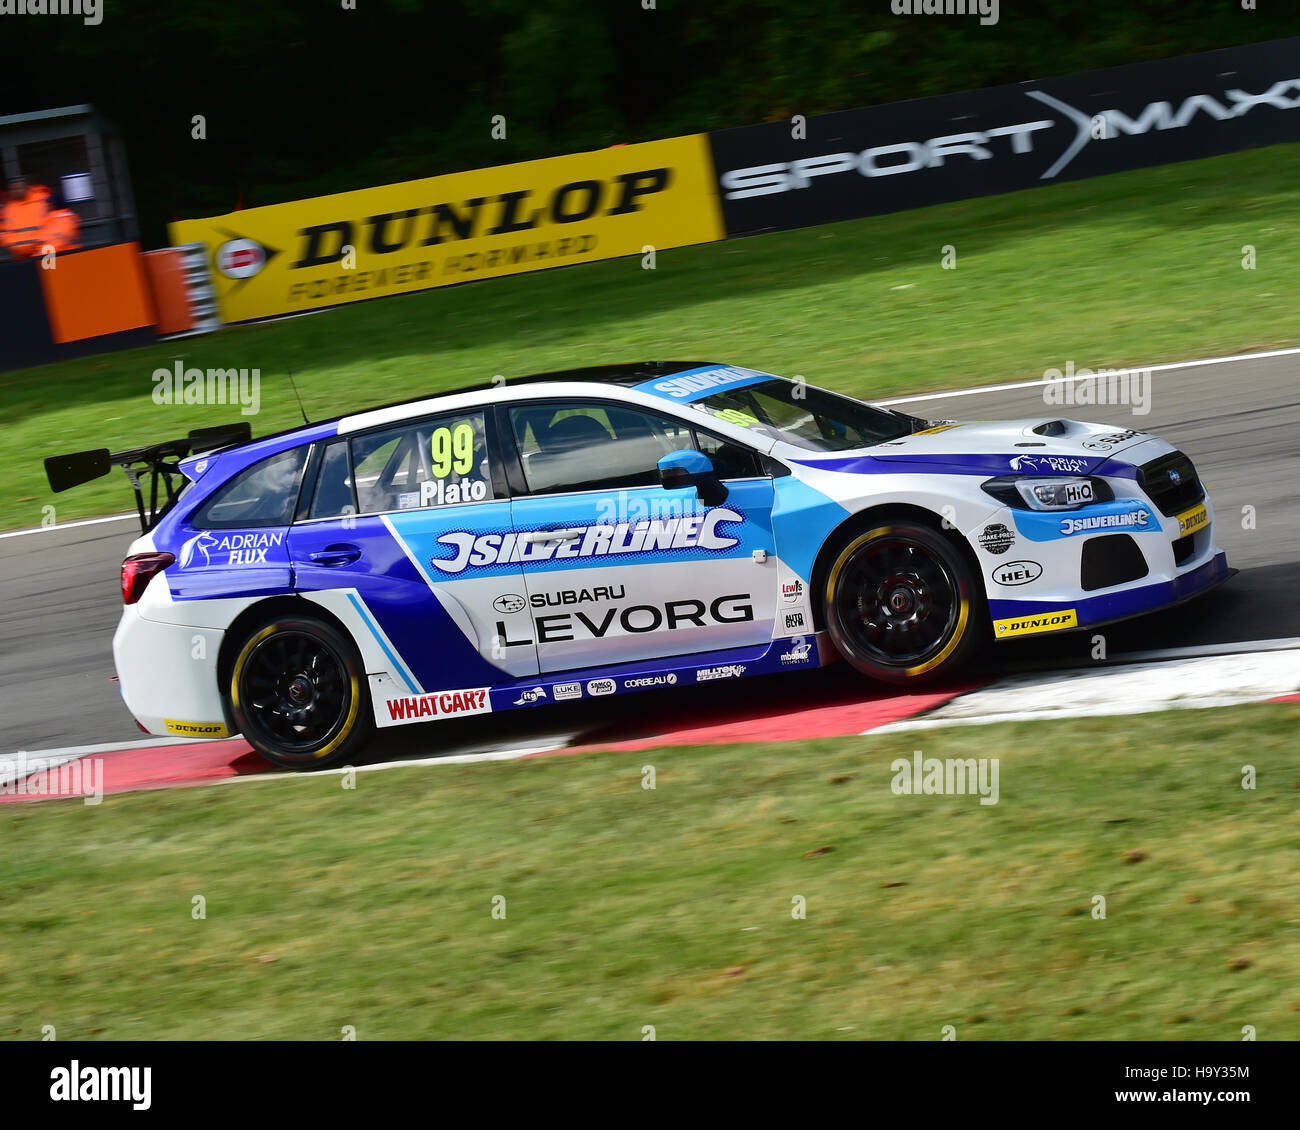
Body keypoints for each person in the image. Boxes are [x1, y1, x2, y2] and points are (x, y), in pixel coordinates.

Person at [0, 178, 80, 259]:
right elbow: (4, 231)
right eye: (13, 188)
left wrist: (39, 250)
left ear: (27, 187)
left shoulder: (45, 200)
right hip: (25, 257)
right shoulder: (9, 208)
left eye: (19, 187)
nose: (16, 190)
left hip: (52, 255)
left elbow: (61, 228)